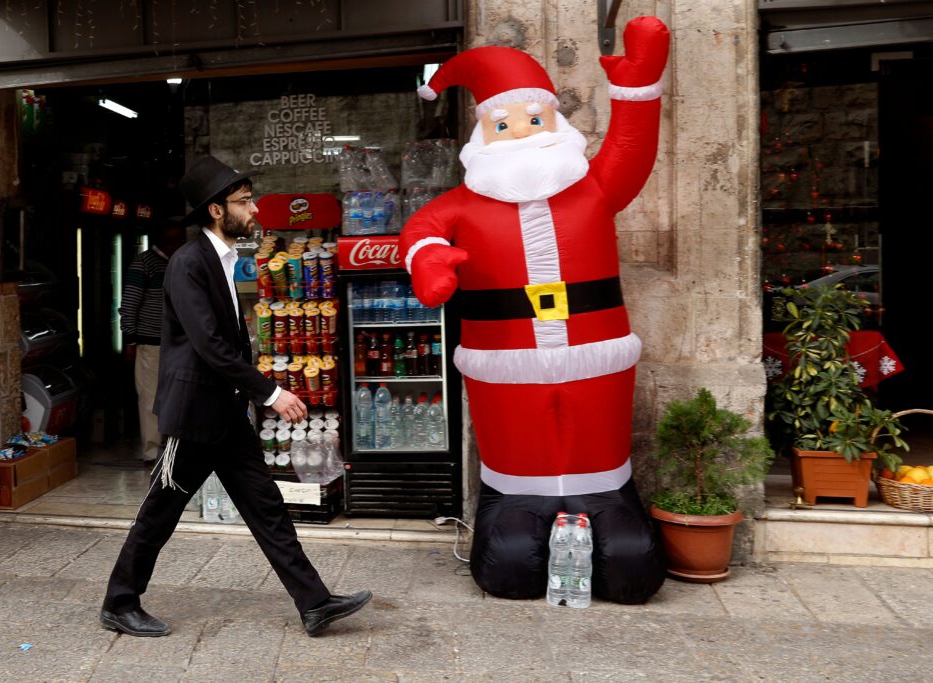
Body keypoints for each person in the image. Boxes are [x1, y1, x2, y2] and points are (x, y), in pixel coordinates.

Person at [400, 17, 670, 602]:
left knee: (629, 560)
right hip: (504, 363)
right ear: (483, 137)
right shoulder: (462, 204)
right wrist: (430, 264)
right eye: (503, 124)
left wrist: (637, 87)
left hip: (596, 357)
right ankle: (514, 503)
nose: (521, 132)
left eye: (533, 119)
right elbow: (420, 232)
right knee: (510, 559)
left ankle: (608, 500)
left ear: (555, 123)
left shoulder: (593, 188)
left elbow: (632, 150)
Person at [101, 156, 371, 637]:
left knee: (267, 507)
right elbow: (208, 344)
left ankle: (314, 602)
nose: (254, 209)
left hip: (225, 413)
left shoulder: (223, 260)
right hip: (193, 416)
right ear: (216, 210)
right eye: (244, 202)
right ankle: (119, 603)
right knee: (160, 513)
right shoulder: (188, 263)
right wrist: (271, 392)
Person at [119, 219, 185, 463]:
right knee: (150, 397)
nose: (177, 245)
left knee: (177, 396)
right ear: (162, 241)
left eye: (179, 240)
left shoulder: (181, 262)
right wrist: (130, 340)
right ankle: (152, 452)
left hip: (179, 342)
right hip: (151, 343)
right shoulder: (144, 264)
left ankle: (174, 449)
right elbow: (129, 304)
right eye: (173, 241)